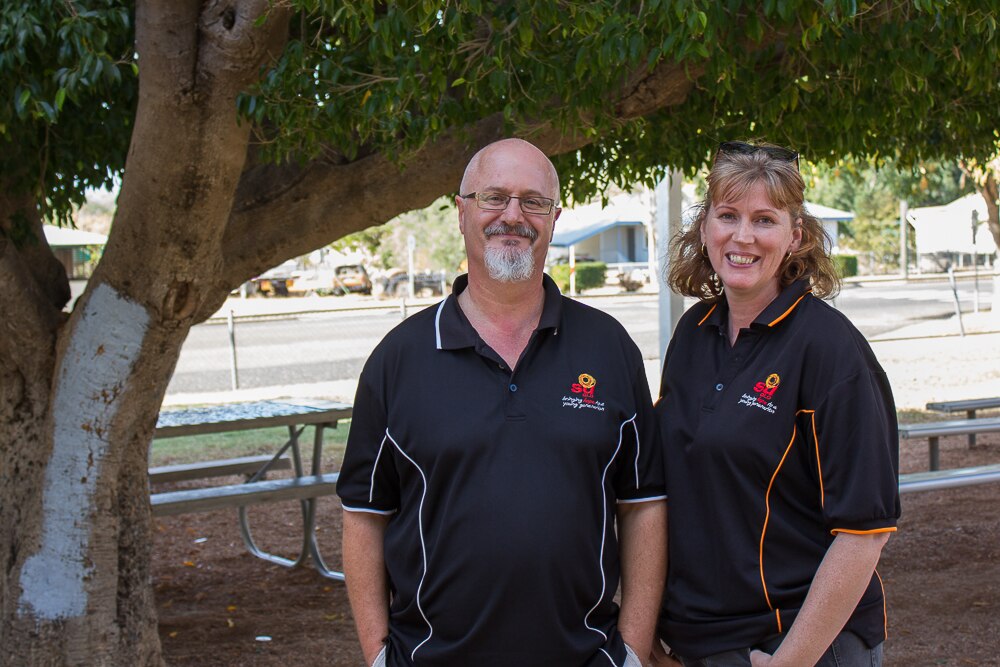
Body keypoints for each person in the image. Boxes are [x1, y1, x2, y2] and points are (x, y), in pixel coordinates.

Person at [337, 138, 667, 667]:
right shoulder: (399, 359)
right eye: (494, 197)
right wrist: (378, 654)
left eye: (533, 201)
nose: (513, 216)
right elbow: (364, 514)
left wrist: (630, 649)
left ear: (554, 219)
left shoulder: (609, 348)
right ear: (462, 212)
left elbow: (644, 504)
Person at [652, 141, 900, 667]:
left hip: (796, 644)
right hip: (702, 643)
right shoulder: (692, 335)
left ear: (796, 236)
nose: (743, 236)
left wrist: (791, 660)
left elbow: (864, 532)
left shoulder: (830, 350)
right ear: (705, 229)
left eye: (765, 219)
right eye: (728, 215)